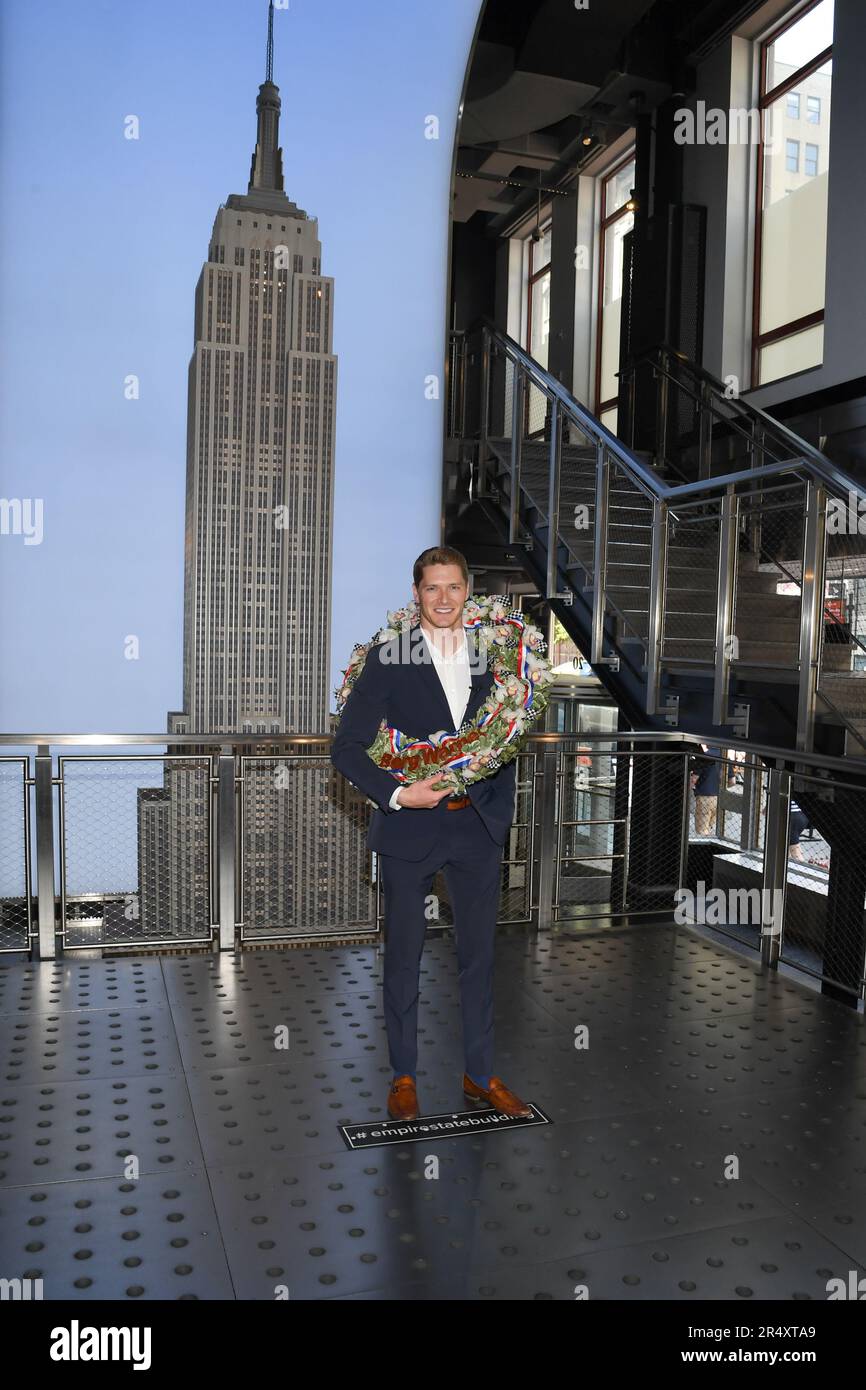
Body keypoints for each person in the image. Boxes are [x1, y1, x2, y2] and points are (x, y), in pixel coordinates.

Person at [330, 546, 532, 1122]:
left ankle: (479, 1074)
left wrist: (495, 806)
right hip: (410, 825)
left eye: (454, 587)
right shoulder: (388, 658)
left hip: (475, 826)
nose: (443, 599)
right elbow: (345, 748)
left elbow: (506, 737)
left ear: (469, 590)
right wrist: (398, 794)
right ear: (415, 593)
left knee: (479, 958)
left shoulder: (497, 655)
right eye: (432, 588)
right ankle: (402, 1078)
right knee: (404, 959)